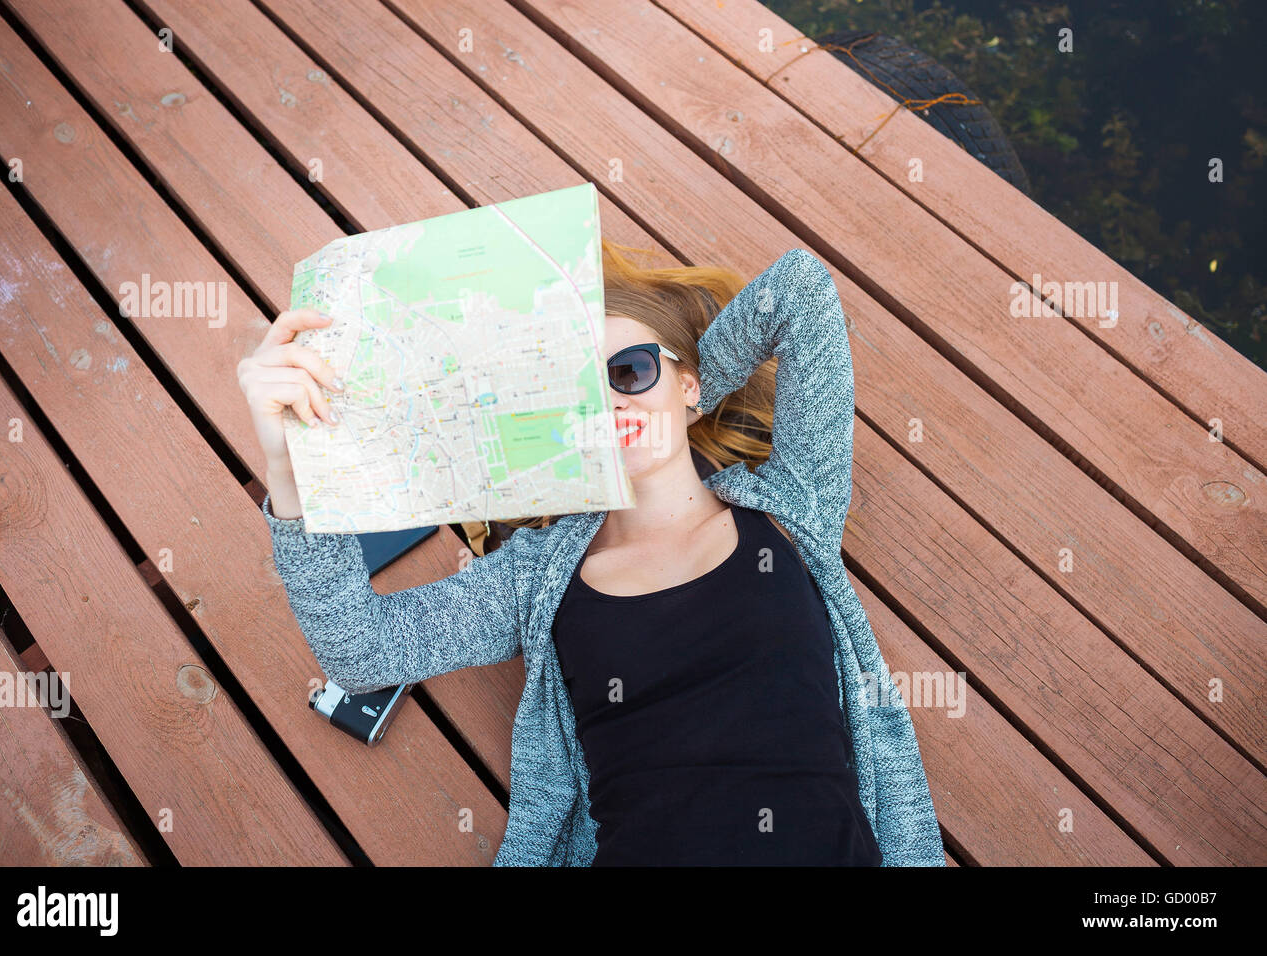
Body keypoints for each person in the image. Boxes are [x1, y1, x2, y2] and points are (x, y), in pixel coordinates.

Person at [237, 240, 946, 866]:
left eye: (630, 371)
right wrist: (289, 474)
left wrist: (683, 394)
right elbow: (361, 652)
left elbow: (801, 289)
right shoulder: (538, 577)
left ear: (690, 383)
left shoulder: (792, 504)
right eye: (580, 393)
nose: (611, 404)